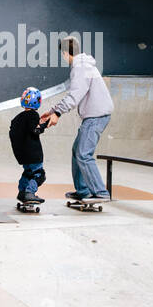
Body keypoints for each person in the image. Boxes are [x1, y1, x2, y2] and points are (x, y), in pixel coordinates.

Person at [40, 35, 114, 202]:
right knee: (77, 151)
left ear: (65, 53)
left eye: (63, 55)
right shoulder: (84, 65)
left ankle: (100, 192)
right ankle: (83, 191)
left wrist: (57, 114)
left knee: (83, 153)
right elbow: (74, 92)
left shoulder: (79, 67)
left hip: (96, 116)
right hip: (95, 115)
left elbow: (74, 96)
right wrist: (52, 110)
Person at [9, 87, 47, 206]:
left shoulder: (17, 118)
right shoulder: (33, 115)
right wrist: (44, 124)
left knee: (28, 172)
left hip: (22, 155)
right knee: (39, 174)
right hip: (34, 155)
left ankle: (22, 192)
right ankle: (30, 193)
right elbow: (35, 131)